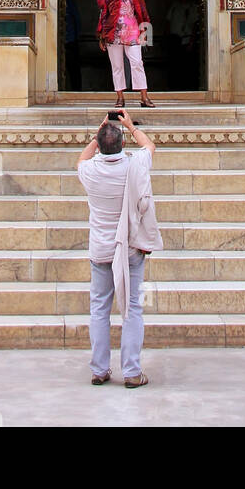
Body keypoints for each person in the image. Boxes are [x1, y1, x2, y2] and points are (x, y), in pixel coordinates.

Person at [77, 108, 162, 387]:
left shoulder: (89, 170)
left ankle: (99, 369)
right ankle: (132, 372)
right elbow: (150, 146)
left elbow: (81, 158)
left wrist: (98, 132)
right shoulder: (133, 164)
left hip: (101, 249)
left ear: (100, 145)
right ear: (123, 143)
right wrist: (130, 126)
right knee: (132, 308)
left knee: (99, 308)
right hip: (129, 249)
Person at [96, 0, 155, 108]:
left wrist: (145, 31)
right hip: (113, 33)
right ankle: (120, 98)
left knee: (137, 63)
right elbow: (103, 15)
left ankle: (144, 97)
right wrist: (101, 36)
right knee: (117, 66)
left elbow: (142, 11)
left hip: (132, 32)